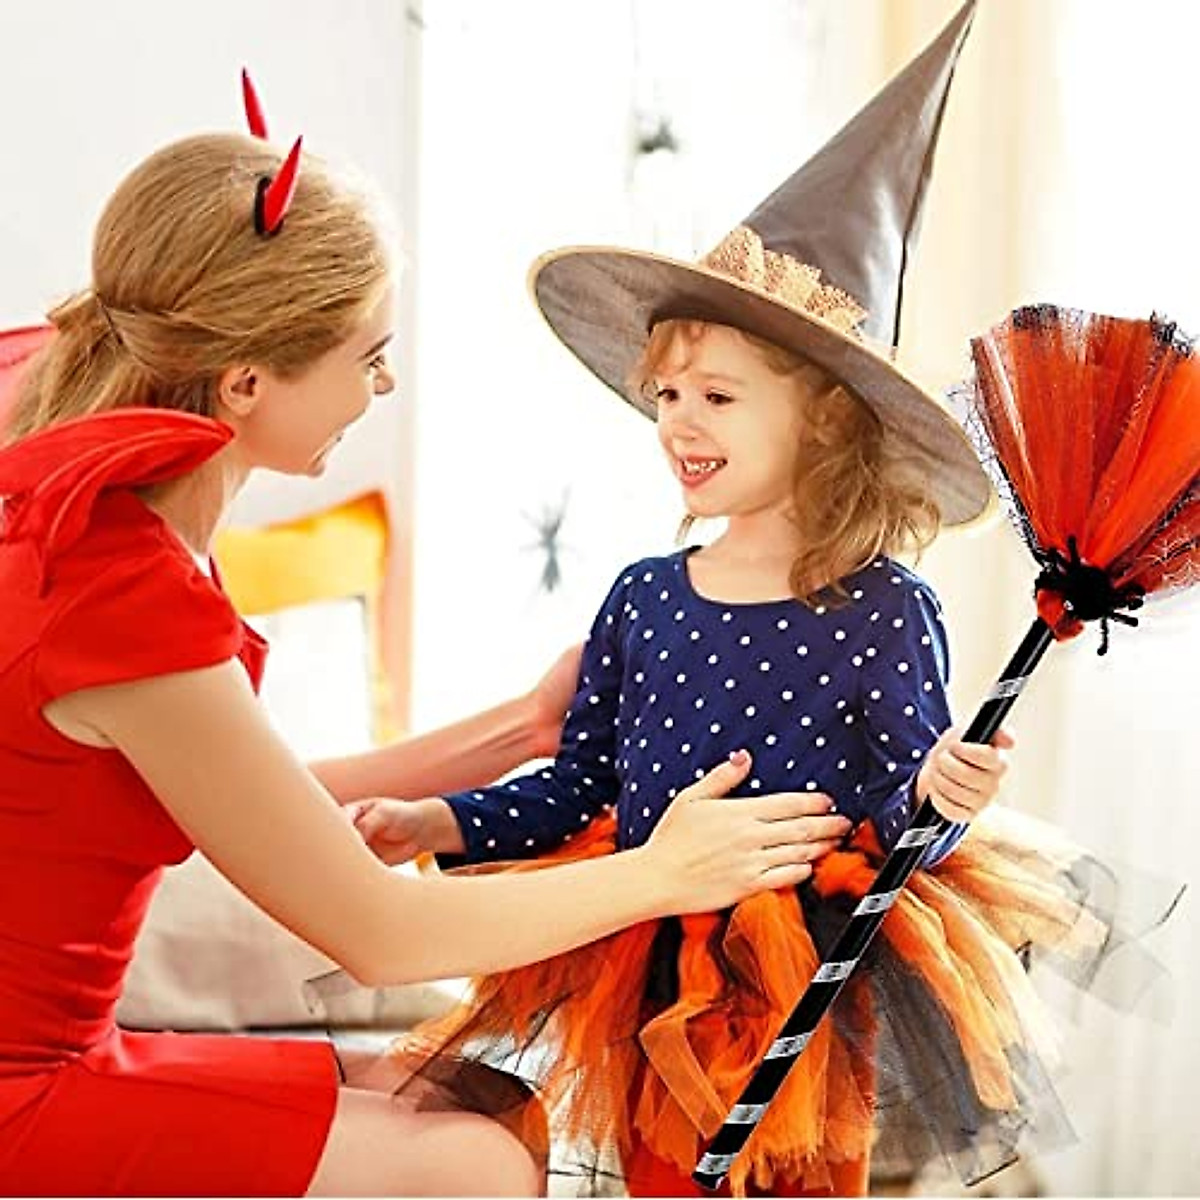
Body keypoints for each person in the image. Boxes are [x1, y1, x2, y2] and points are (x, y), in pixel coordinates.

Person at [340, 5, 1122, 1195]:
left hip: (806, 989)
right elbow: (579, 788)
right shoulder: (646, 598)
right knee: (660, 1175)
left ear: (824, 419)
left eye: (716, 395)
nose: (677, 423)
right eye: (666, 395)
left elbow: (899, 830)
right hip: (645, 971)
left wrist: (940, 794)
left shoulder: (884, 610)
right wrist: (435, 822)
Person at [0, 87, 833, 1198]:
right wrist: (663, 872)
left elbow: (239, 795)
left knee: (488, 1099)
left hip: (56, 1062)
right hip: (25, 1090)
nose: (384, 383)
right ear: (246, 383)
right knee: (464, 1163)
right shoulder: (121, 586)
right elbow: (384, 935)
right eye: (369, 354)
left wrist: (522, 729)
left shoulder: (116, 502)